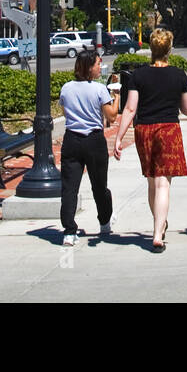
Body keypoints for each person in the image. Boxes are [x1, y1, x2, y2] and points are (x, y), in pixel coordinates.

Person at [112, 28, 187, 253]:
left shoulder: (138, 76)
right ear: (169, 49)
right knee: (163, 183)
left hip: (144, 130)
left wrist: (118, 137)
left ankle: (159, 224)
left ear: (151, 48)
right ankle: (158, 234)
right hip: (168, 130)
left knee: (151, 181)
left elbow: (129, 108)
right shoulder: (178, 74)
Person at [58, 51, 117, 246]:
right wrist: (116, 96)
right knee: (99, 185)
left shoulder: (66, 88)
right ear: (88, 67)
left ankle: (69, 230)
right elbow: (112, 117)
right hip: (94, 140)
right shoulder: (100, 89)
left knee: (69, 187)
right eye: (98, 64)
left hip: (72, 139)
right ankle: (104, 221)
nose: (101, 67)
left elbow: (65, 112)